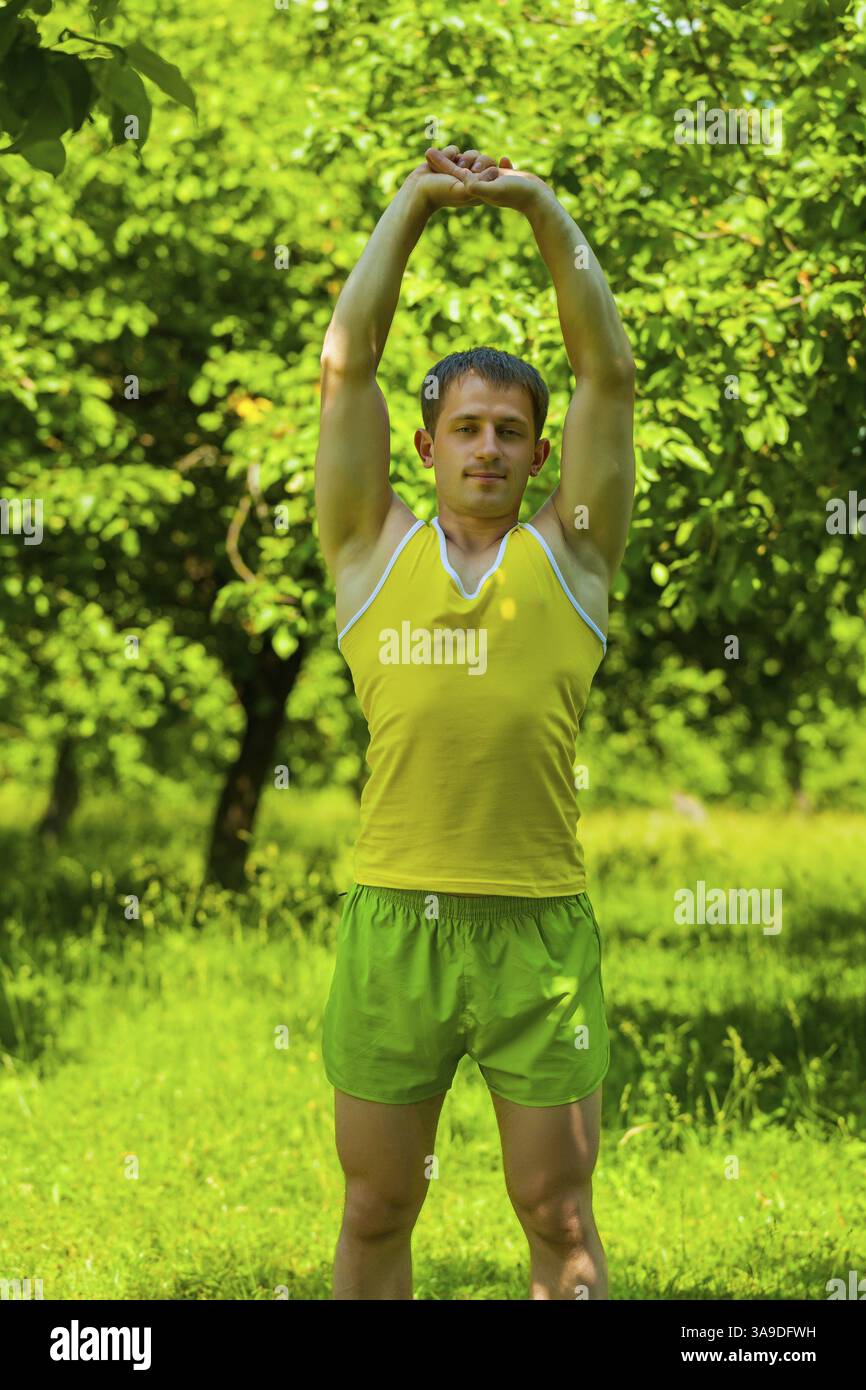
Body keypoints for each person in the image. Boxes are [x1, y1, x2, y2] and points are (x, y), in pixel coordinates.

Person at [315, 142, 635, 1300]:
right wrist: (408, 204)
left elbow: (607, 375)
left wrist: (542, 206)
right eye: (467, 427)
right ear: (427, 446)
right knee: (375, 1203)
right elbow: (345, 368)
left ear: (541, 454)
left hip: (536, 929)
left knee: (556, 1214)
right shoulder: (367, 552)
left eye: (510, 430)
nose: (489, 446)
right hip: (395, 919)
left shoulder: (573, 555)